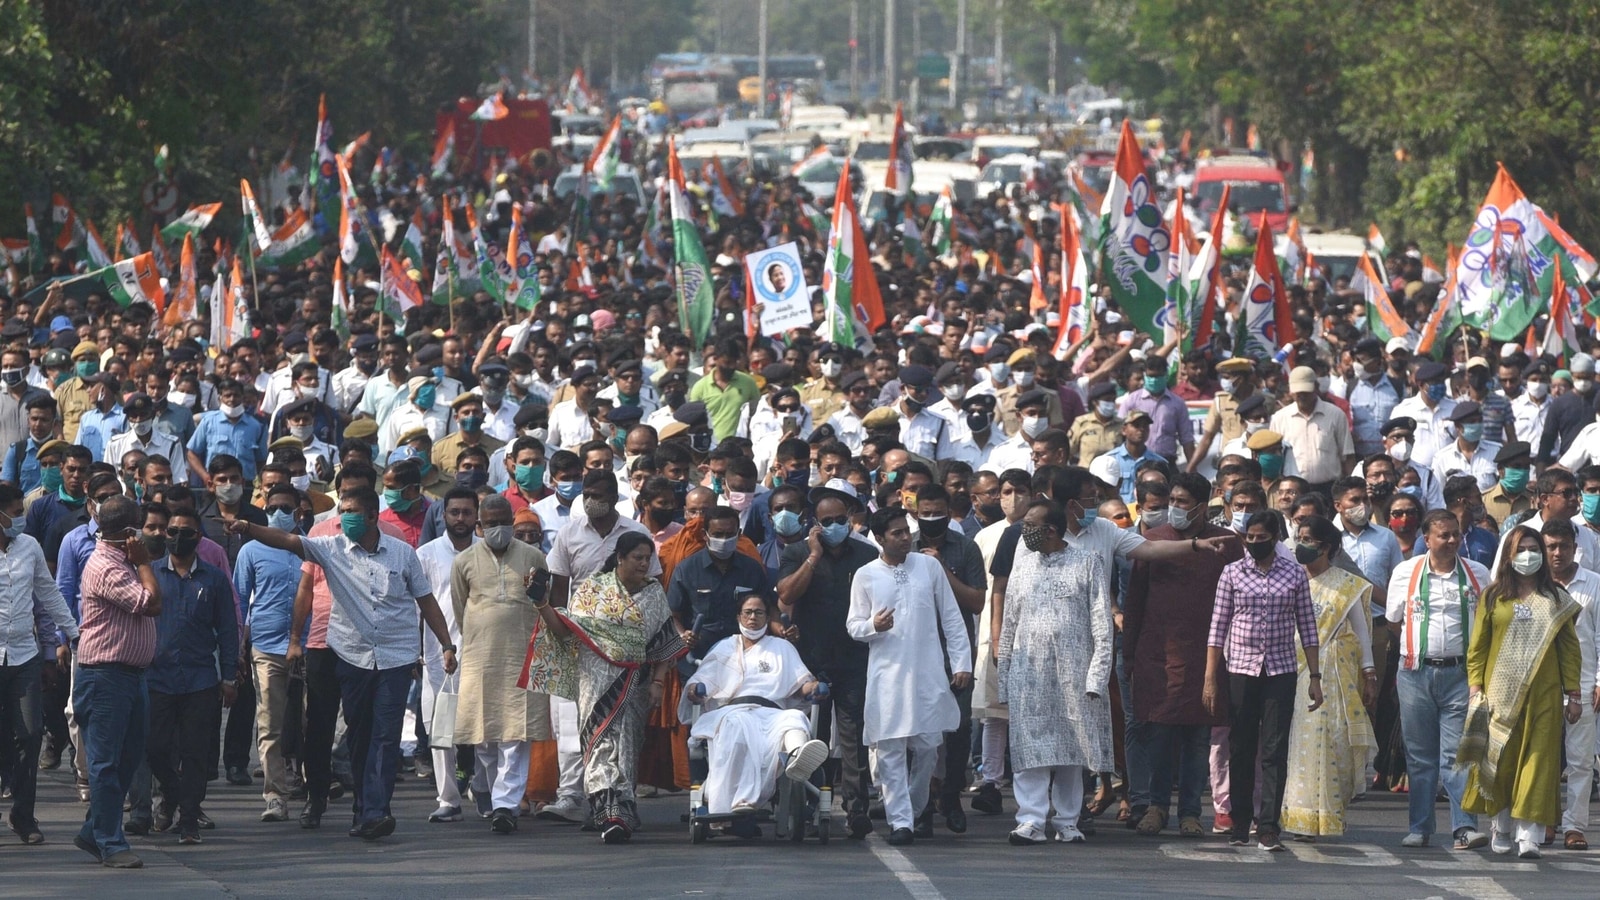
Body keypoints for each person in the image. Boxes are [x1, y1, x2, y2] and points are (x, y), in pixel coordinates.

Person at [227, 488, 458, 841]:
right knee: (362, 736)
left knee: (384, 736)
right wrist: (248, 527)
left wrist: (445, 644)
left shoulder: (402, 553)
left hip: (396, 658)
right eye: (343, 510)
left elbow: (426, 601)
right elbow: (287, 540)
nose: (345, 516)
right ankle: (365, 808)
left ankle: (375, 811)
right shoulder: (331, 548)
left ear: (371, 515)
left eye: (352, 510)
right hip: (352, 657)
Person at [523, 531, 686, 842]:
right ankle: (610, 814)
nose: (643, 563)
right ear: (620, 558)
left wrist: (658, 682)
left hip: (635, 683)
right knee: (599, 747)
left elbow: (666, 643)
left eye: (647, 558)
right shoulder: (593, 590)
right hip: (595, 682)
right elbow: (566, 631)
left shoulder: (654, 594)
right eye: (637, 557)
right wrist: (543, 604)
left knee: (626, 747)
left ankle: (623, 810)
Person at [1123, 471, 1242, 838]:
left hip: (1207, 655)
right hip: (1158, 651)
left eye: (1182, 503)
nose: (1173, 508)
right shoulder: (1152, 541)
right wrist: (1129, 654)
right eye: (1171, 501)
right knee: (1157, 732)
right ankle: (1156, 807)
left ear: (1203, 508)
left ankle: (1190, 812)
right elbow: (1136, 600)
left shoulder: (1227, 544)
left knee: (1197, 736)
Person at [846, 508, 973, 846]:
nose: (905, 538)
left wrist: (962, 663)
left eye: (907, 531)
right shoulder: (866, 575)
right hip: (887, 677)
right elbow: (854, 625)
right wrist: (874, 625)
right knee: (889, 750)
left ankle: (915, 810)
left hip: (928, 674)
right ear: (880, 538)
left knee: (929, 747)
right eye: (897, 533)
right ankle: (900, 821)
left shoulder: (929, 567)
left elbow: (951, 618)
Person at [1460, 523, 1582, 860]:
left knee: (1539, 762)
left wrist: (1574, 694)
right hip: (1499, 694)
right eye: (1521, 549)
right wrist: (1475, 688)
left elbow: (1570, 650)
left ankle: (1529, 835)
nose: (1528, 555)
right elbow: (1477, 647)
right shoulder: (1493, 596)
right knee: (1500, 762)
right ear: (1509, 555)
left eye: (1533, 549)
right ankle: (1501, 826)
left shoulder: (1557, 598)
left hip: (1544, 695)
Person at [1203, 509, 1323, 852]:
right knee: (1240, 747)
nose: (1254, 543)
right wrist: (1211, 677)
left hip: (1281, 670)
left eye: (1261, 537)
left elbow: (1308, 628)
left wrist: (1314, 677)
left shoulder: (1294, 574)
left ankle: (1268, 825)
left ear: (1275, 538)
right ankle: (1240, 823)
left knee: (1273, 749)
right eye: (1249, 537)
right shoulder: (1231, 573)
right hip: (1240, 669)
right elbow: (1217, 628)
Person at [997, 499, 1114, 845]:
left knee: (1072, 750)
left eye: (1029, 525)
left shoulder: (1087, 562)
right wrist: (1004, 676)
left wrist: (1097, 676)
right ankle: (1030, 820)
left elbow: (1102, 625)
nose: (1024, 530)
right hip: (1028, 674)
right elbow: (1009, 623)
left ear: (1049, 530)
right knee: (1028, 749)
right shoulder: (1022, 566)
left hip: (1073, 675)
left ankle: (1067, 821)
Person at [776, 482, 880, 837]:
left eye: (840, 519)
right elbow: (786, 594)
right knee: (813, 739)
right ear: (814, 523)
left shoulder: (866, 555)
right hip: (812, 661)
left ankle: (856, 809)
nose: (835, 525)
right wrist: (814, 556)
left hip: (854, 658)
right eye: (827, 520)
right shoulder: (796, 553)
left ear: (850, 518)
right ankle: (810, 803)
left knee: (853, 736)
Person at [1385, 509, 1491, 850]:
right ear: (1426, 539)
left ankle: (1464, 828)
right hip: (1415, 673)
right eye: (1443, 535)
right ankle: (1420, 827)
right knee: (1419, 756)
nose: (1450, 541)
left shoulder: (1478, 574)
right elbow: (1392, 620)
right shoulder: (1406, 573)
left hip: (1461, 674)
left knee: (1458, 754)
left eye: (1455, 534)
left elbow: (1489, 623)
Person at [449, 494, 550, 833]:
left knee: (515, 735)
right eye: (490, 524)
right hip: (481, 659)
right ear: (480, 526)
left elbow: (544, 604)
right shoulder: (463, 562)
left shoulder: (535, 557)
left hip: (521, 658)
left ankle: (506, 806)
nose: (498, 529)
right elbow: (462, 608)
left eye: (503, 523)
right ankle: (490, 792)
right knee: (485, 736)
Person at [680, 591, 830, 815]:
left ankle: (797, 758)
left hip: (773, 712)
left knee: (795, 718)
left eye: (759, 612)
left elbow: (802, 684)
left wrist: (814, 687)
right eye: (748, 612)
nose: (753, 617)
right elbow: (701, 682)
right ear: (738, 616)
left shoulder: (782, 648)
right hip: (733, 711)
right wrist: (694, 689)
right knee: (739, 724)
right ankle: (742, 800)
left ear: (767, 617)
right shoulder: (724, 648)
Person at [74, 495, 162, 868]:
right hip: (105, 675)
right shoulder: (105, 567)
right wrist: (144, 562)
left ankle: (94, 830)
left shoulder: (123, 561)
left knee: (128, 757)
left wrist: (139, 561)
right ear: (128, 533)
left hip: (131, 674)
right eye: (139, 527)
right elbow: (152, 602)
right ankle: (111, 842)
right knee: (106, 763)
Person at [145, 505, 240, 845]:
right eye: (172, 531)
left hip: (201, 679)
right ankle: (172, 794)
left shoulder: (214, 579)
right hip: (157, 678)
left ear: (199, 538)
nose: (177, 537)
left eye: (186, 532)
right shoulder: (151, 574)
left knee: (197, 753)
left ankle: (188, 819)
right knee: (154, 748)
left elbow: (228, 630)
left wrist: (229, 677)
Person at [1280, 516, 1377, 840]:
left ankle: (1329, 814)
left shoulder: (1347, 585)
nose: (1302, 545)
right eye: (1299, 537)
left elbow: (1362, 634)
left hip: (1333, 677)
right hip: (1291, 672)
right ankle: (1298, 817)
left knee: (1330, 742)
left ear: (1328, 548)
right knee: (1297, 745)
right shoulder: (1289, 579)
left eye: (1309, 540)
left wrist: (1368, 672)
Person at [0, 482, 79, 846]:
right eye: (16, 514)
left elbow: (48, 592)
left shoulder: (28, 546)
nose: (20, 520)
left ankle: (23, 814)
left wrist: (73, 634)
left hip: (23, 655)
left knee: (30, 733)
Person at [414, 488, 476, 824]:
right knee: (440, 733)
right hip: (440, 659)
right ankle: (448, 798)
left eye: (467, 512)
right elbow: (415, 610)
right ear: (443, 515)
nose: (461, 519)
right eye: (455, 512)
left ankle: (486, 791)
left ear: (476, 515)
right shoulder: (425, 554)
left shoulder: (489, 552)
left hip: (483, 655)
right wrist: (415, 654)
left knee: (484, 731)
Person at [1547, 518, 1600, 850]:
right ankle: (1546, 820)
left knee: (1580, 760)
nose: (1556, 553)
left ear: (1574, 547)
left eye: (1563, 546)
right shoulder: (1533, 584)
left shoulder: (1593, 583)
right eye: (1550, 546)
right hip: (1543, 685)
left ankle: (1574, 826)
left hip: (1582, 682)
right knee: (1545, 757)